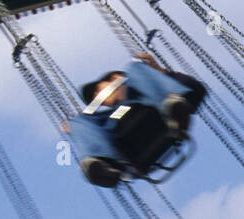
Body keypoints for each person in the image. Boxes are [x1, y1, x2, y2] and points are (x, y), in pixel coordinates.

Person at [68, 52, 207, 187]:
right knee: (77, 122)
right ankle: (105, 165)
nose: (97, 96)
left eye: (97, 90)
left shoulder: (141, 85)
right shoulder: (109, 116)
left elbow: (196, 90)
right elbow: (90, 125)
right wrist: (78, 129)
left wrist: (161, 73)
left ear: (115, 78)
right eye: (95, 97)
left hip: (156, 107)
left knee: (134, 68)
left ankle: (174, 109)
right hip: (122, 143)